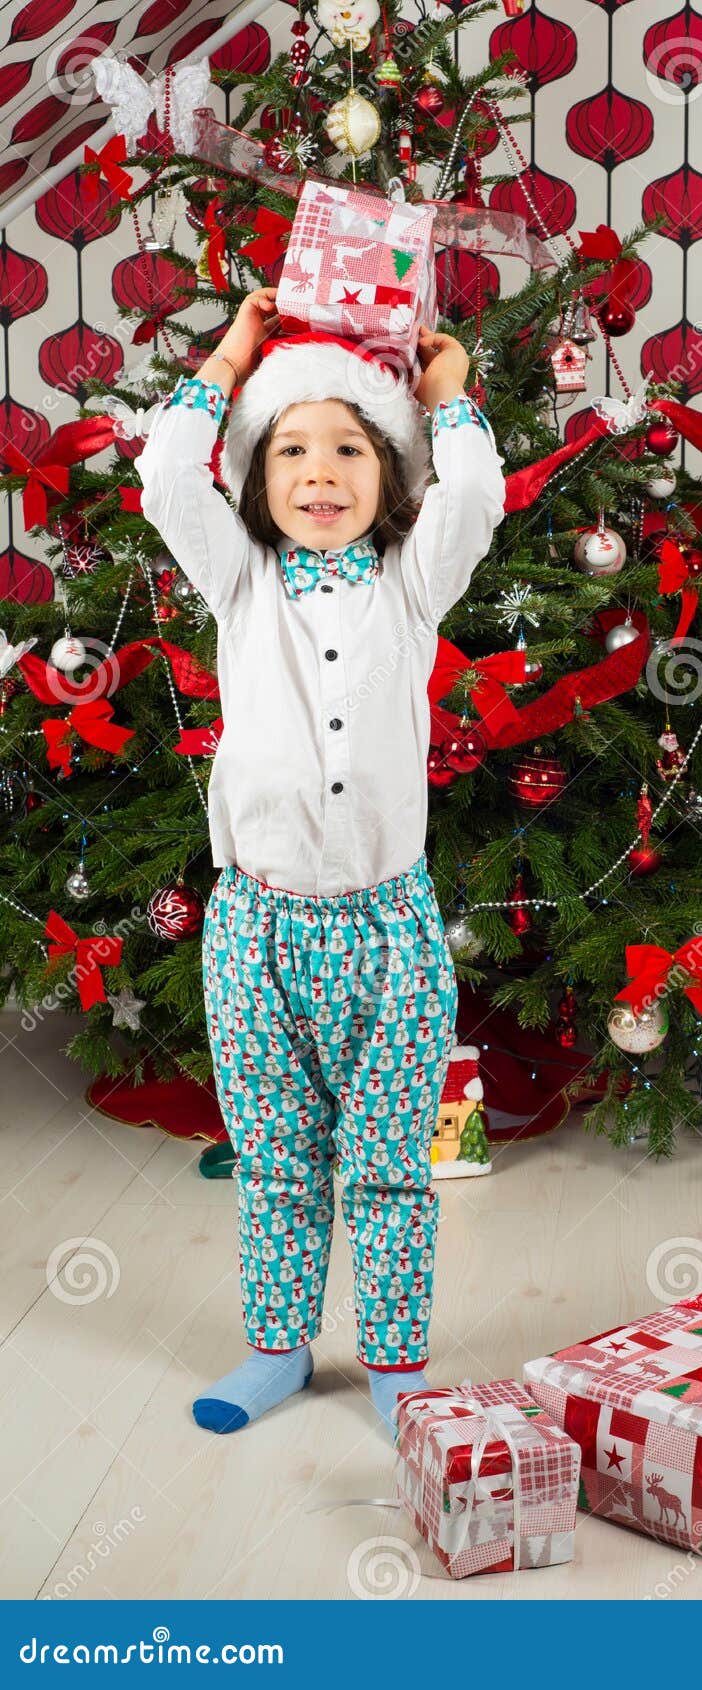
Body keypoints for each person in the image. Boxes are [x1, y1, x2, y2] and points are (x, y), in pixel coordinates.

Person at [133, 284, 507, 1441]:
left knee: (391, 1167)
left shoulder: (410, 588)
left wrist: (449, 403)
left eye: (349, 448)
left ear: (389, 478)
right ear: (257, 476)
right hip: (257, 929)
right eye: (291, 448)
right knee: (278, 1158)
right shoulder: (240, 585)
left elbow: (476, 500)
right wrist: (233, 358)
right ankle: (279, 1350)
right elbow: (161, 476)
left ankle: (394, 1360)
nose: (319, 471)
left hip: (390, 931)